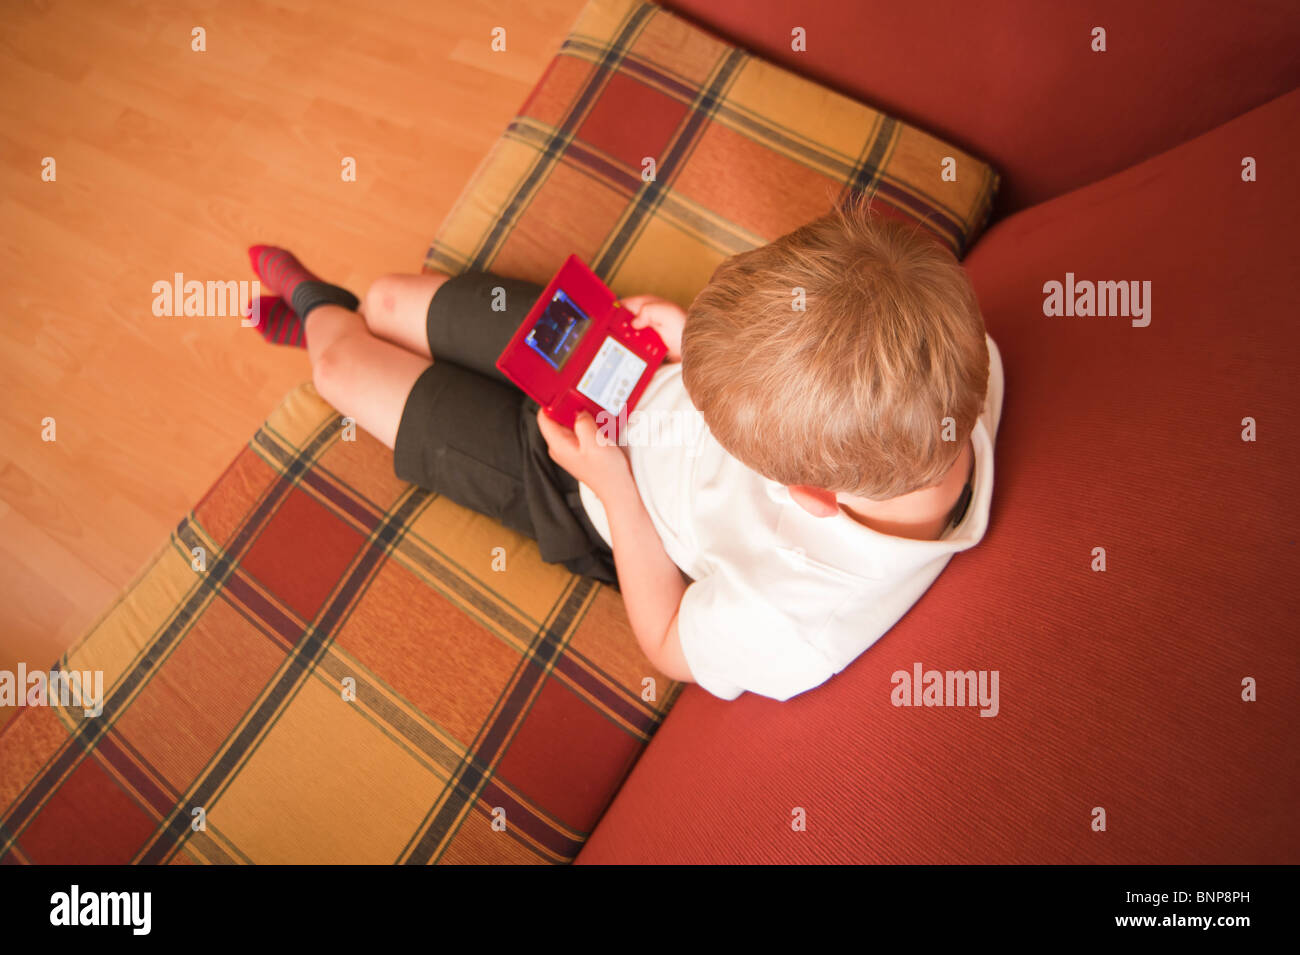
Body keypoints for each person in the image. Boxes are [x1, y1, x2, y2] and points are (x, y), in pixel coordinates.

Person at [244, 196, 1003, 701]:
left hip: (588, 493)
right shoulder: (958, 368)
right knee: (387, 300)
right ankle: (346, 309)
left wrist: (611, 486)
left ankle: (313, 308)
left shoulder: (796, 621)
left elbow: (669, 645)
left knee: (339, 367)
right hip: (630, 370)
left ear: (809, 495)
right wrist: (685, 346)